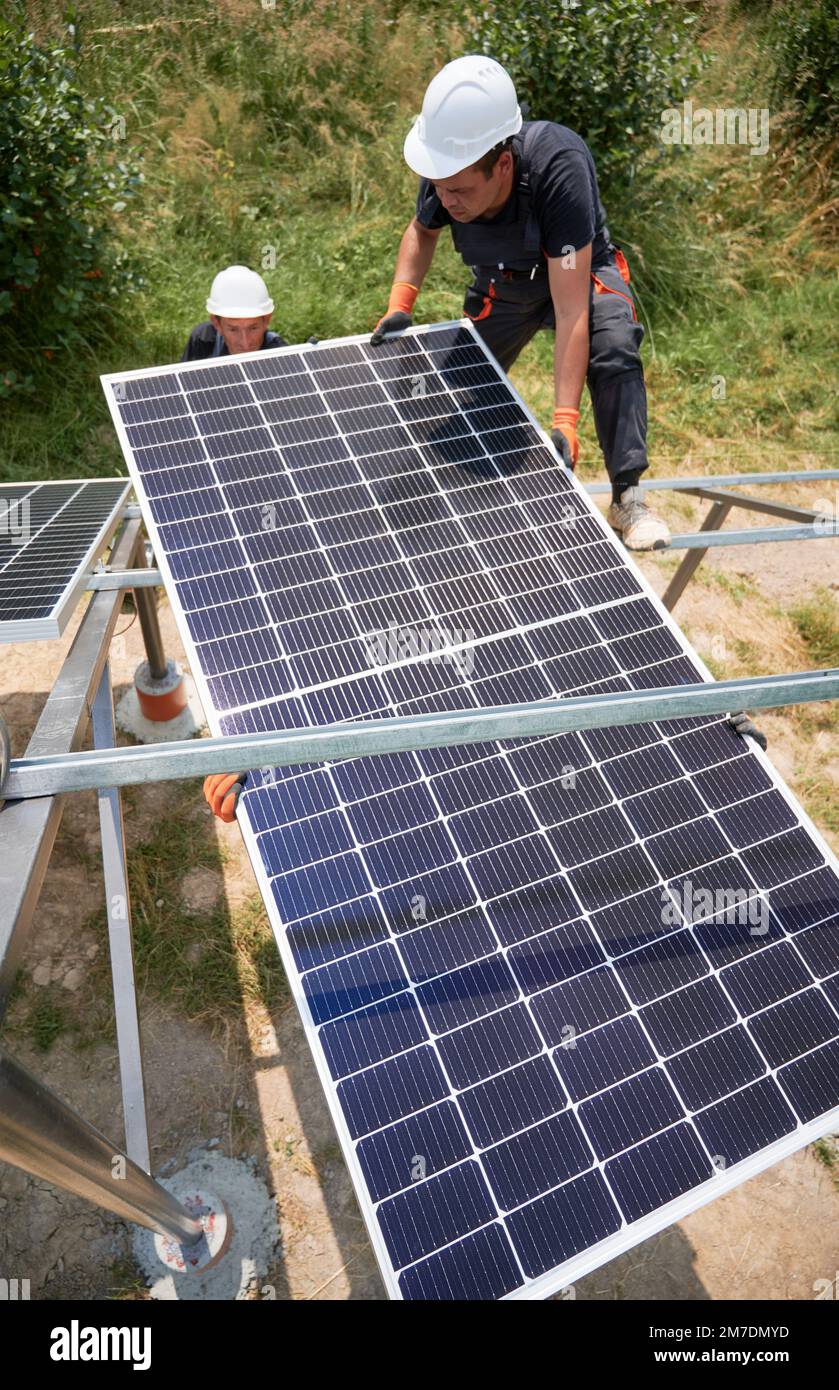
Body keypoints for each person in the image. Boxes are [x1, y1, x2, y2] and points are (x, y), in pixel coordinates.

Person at [370, 55, 670, 552]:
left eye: (461, 191)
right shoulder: (448, 161)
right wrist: (401, 303)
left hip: (579, 273)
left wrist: (565, 421)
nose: (447, 200)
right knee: (456, 386)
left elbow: (571, 308)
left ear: (503, 163)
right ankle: (451, 499)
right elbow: (421, 232)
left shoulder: (559, 166)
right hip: (504, 283)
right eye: (441, 188)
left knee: (613, 346)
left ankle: (628, 498)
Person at [182, 264, 287, 361]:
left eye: (253, 328)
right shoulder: (203, 340)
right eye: (233, 330)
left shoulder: (281, 356)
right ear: (216, 323)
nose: (245, 343)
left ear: (266, 320)